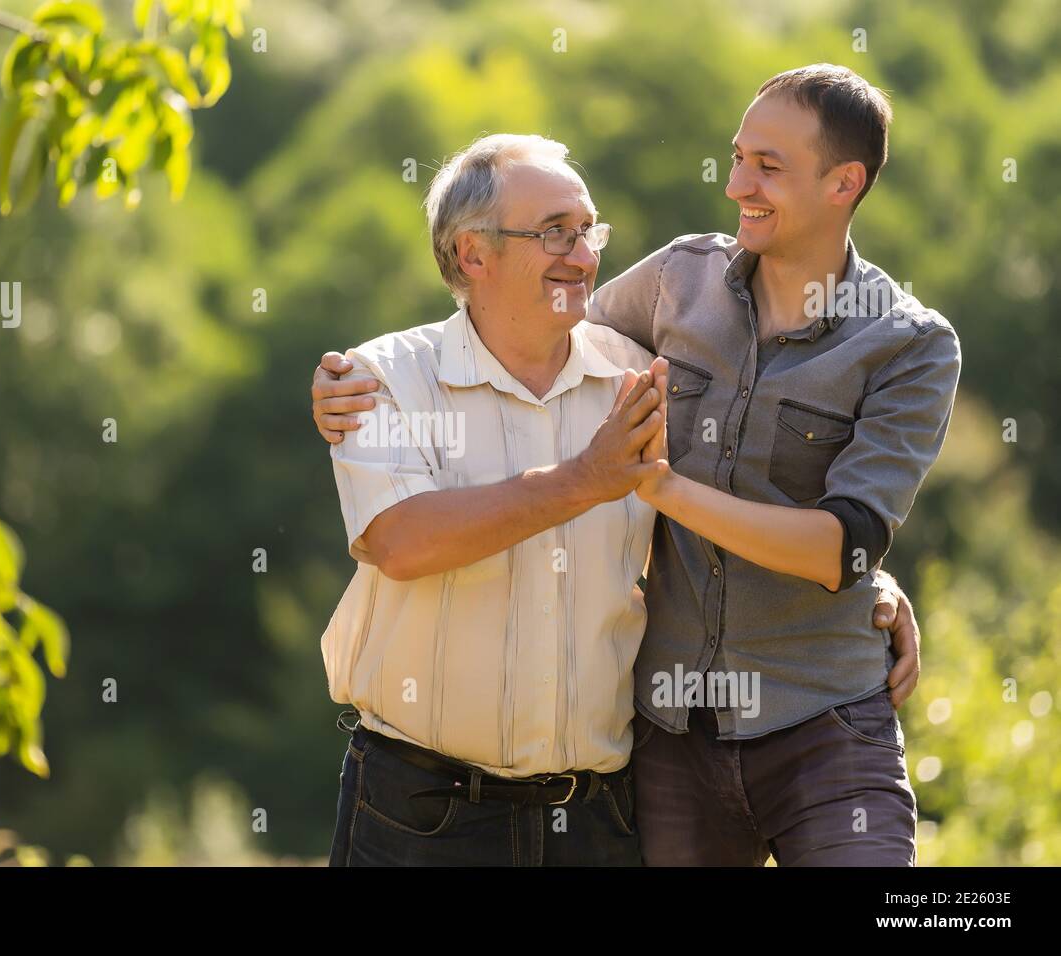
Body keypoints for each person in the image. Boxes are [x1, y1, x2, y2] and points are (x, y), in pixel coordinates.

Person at [314, 64, 943, 866]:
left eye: (588, 231)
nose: (582, 257)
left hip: (627, 802)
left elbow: (797, 509)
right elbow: (399, 541)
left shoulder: (643, 378)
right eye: (554, 233)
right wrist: (586, 480)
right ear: (471, 253)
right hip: (428, 810)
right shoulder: (384, 378)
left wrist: (864, 576)